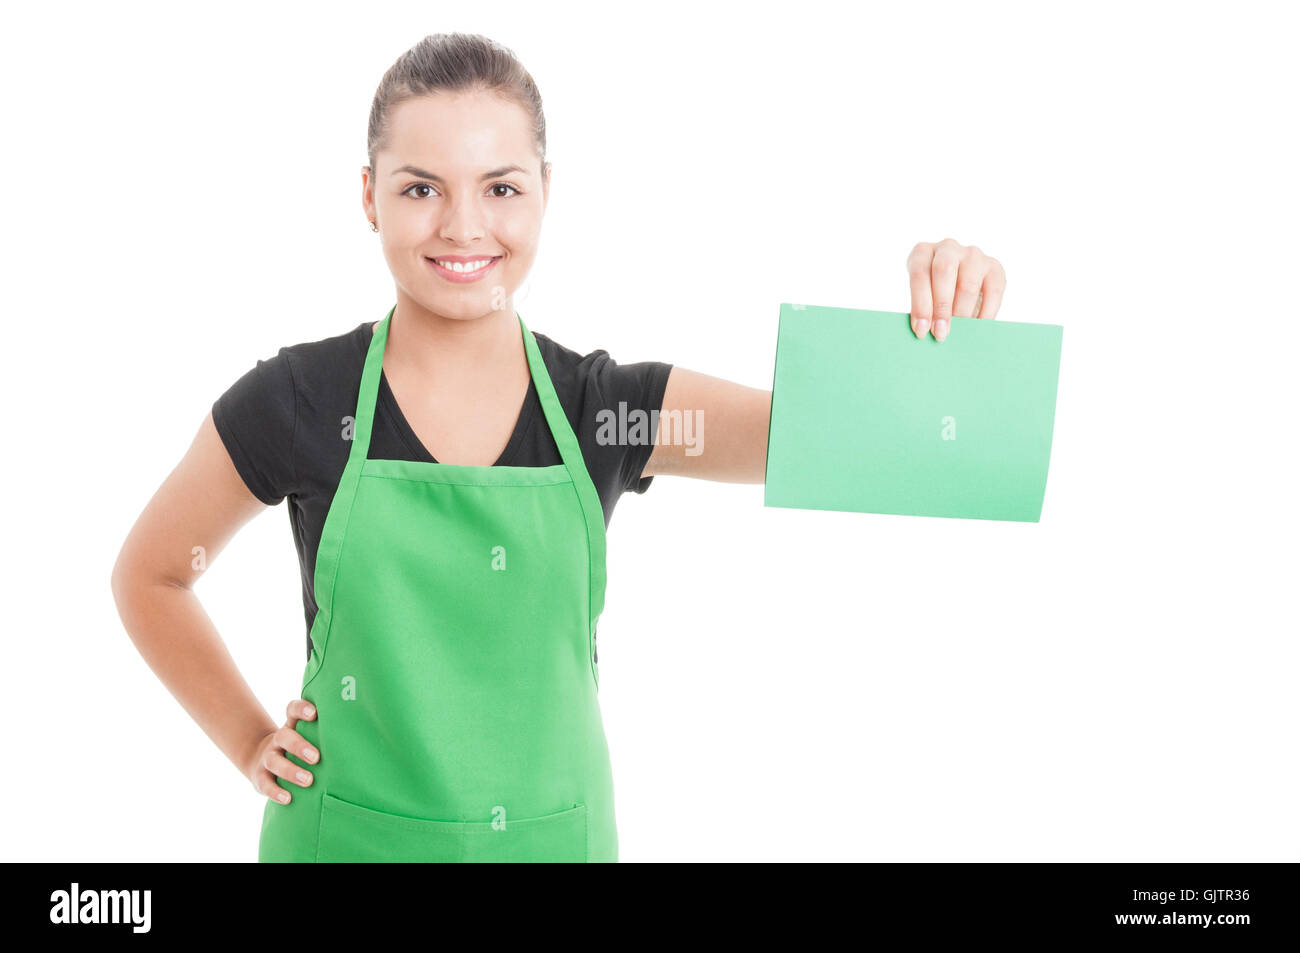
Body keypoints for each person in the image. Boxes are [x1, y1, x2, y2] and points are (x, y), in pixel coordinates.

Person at [109, 32, 1006, 863]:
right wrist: (246, 737)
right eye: (421, 188)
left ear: (546, 191)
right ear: (367, 196)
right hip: (345, 837)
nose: (463, 226)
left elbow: (826, 438)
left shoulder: (603, 412)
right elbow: (150, 573)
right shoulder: (302, 400)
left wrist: (946, 328)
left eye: (501, 187)